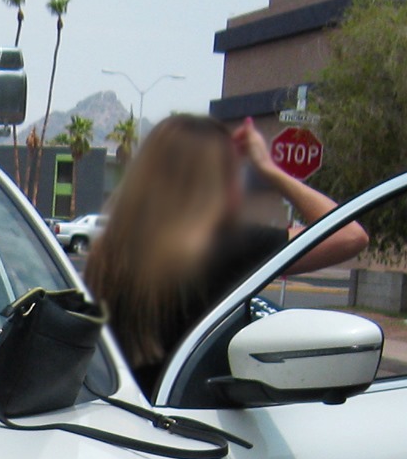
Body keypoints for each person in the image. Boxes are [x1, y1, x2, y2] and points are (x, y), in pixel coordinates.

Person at [84, 114, 367, 397]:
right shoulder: (225, 247)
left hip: (116, 415)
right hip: (197, 425)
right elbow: (350, 235)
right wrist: (269, 169)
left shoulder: (111, 250)